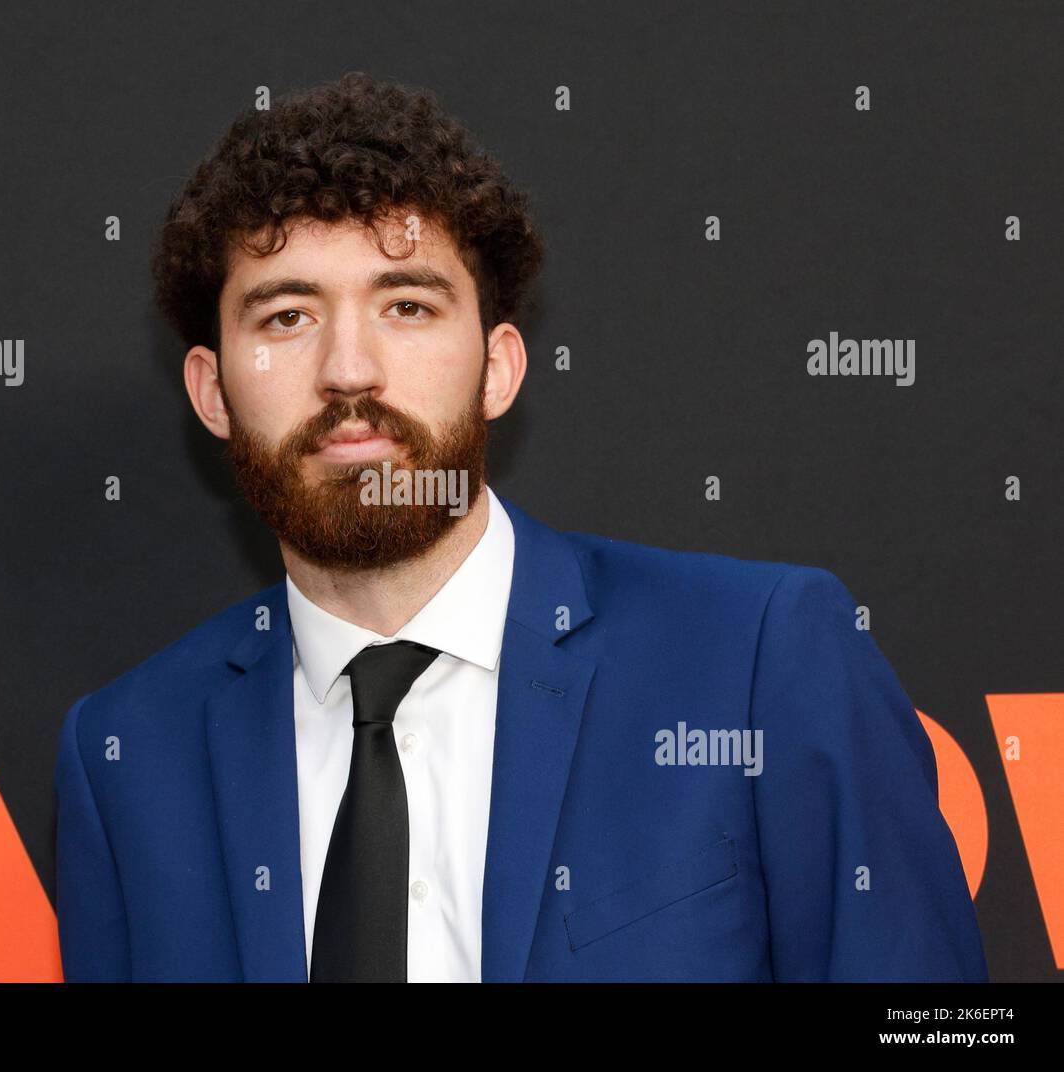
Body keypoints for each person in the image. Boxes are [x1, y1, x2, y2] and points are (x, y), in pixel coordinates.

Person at [54, 71, 987, 982]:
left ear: (498, 368)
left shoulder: (756, 658)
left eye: (407, 306)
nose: (349, 370)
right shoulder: (129, 754)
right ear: (212, 392)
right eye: (289, 315)